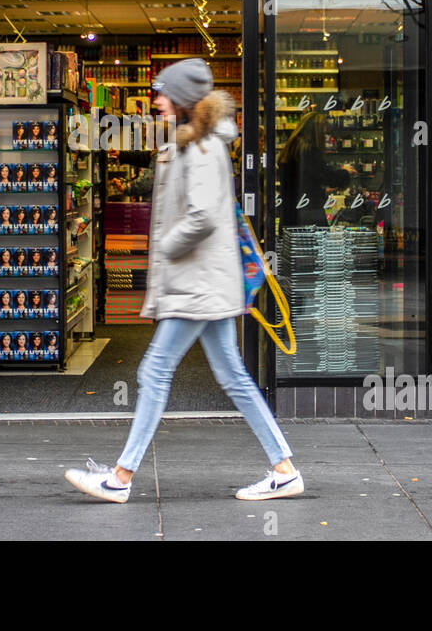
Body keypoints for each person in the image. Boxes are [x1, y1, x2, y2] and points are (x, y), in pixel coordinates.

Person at [65, 58, 302, 503]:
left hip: (197, 285)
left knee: (154, 370)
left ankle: (120, 477)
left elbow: (203, 216)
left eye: (162, 93)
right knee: (233, 375)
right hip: (206, 283)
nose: (155, 100)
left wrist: (165, 249)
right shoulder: (192, 143)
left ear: (182, 99)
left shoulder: (201, 148)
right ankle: (284, 468)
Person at [277, 109, 351, 229]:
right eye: (324, 133)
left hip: (290, 214)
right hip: (308, 215)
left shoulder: (291, 149)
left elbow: (304, 182)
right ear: (316, 133)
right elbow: (329, 178)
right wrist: (345, 172)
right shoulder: (309, 151)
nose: (325, 137)